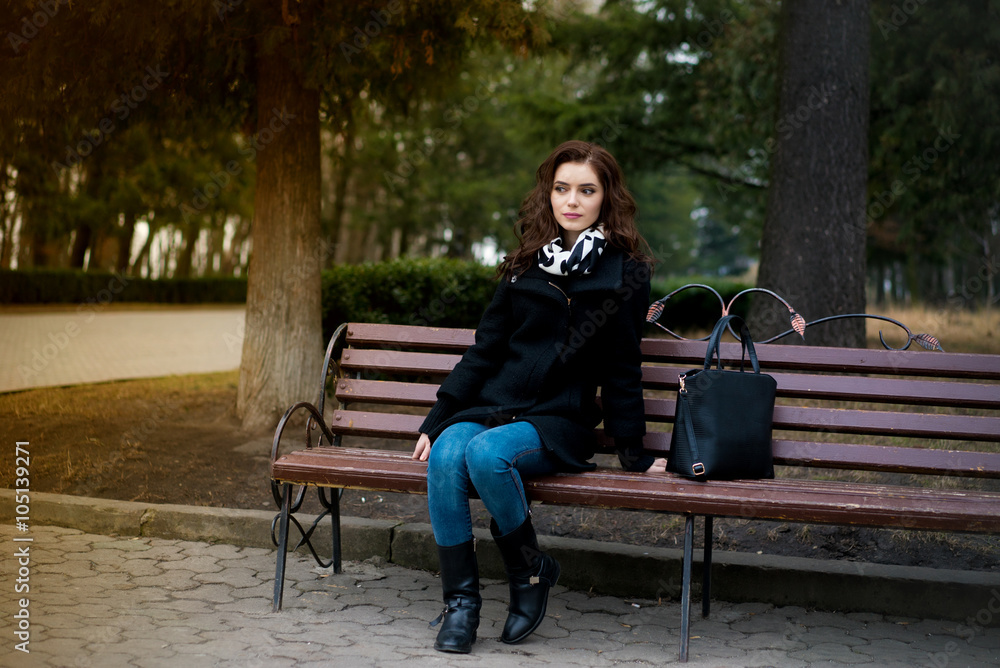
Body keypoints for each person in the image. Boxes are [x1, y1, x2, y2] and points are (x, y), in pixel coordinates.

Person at [411, 140, 657, 654]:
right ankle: (461, 604)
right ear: (548, 194)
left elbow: (621, 369)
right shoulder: (524, 264)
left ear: (605, 197)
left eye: (586, 190)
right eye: (561, 188)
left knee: (486, 453)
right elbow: (485, 352)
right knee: (451, 453)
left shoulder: (625, 273)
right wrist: (436, 420)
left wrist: (634, 454)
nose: (571, 200)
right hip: (490, 406)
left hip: (556, 419)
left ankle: (528, 574)